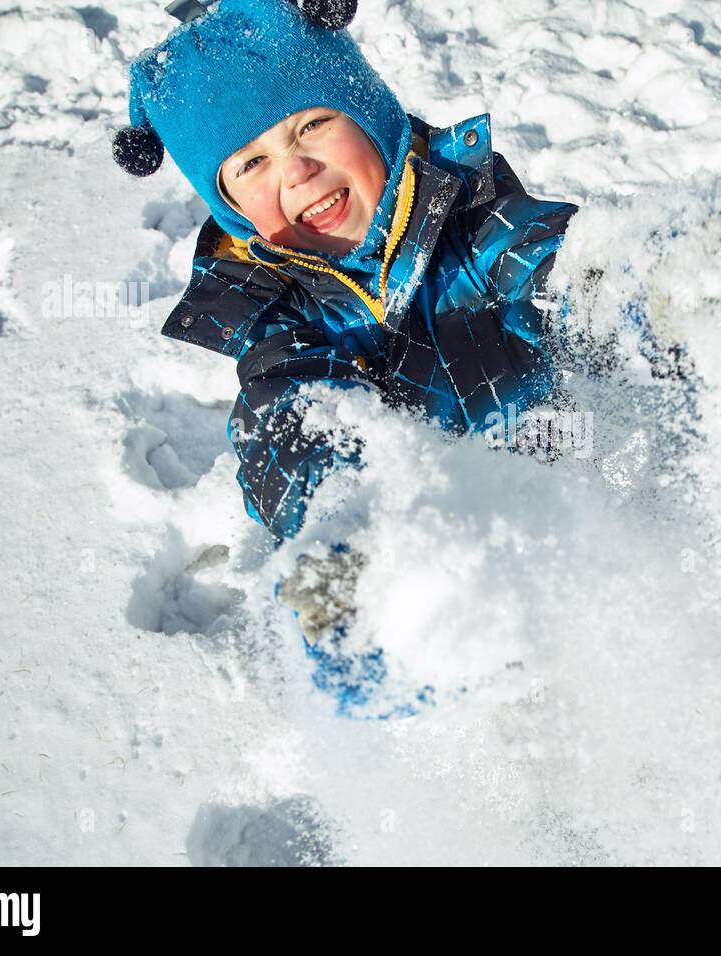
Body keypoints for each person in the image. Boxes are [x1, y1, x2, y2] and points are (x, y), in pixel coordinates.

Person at [113, 0, 581, 716]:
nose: (296, 171)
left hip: (575, 536)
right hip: (436, 600)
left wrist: (637, 284)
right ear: (230, 206)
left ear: (370, 113)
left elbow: (556, 265)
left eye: (311, 124)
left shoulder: (478, 224)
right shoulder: (281, 323)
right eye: (252, 163)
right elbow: (290, 425)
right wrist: (349, 519)